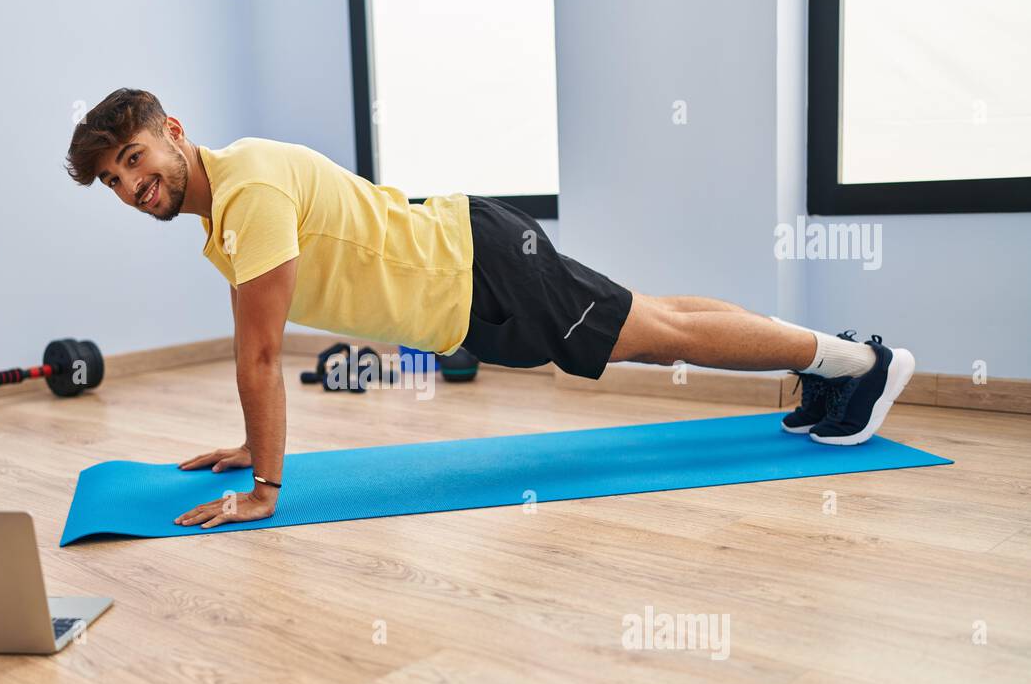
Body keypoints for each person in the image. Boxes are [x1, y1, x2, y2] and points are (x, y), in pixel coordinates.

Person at [65, 88, 915, 529]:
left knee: (660, 337)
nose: (137, 188)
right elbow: (260, 339)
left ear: (174, 131)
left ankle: (858, 365)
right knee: (655, 321)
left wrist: (265, 484)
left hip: (477, 272)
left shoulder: (246, 193)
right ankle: (833, 363)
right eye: (116, 182)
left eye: (138, 160)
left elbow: (258, 355)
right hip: (473, 263)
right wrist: (253, 442)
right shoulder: (228, 204)